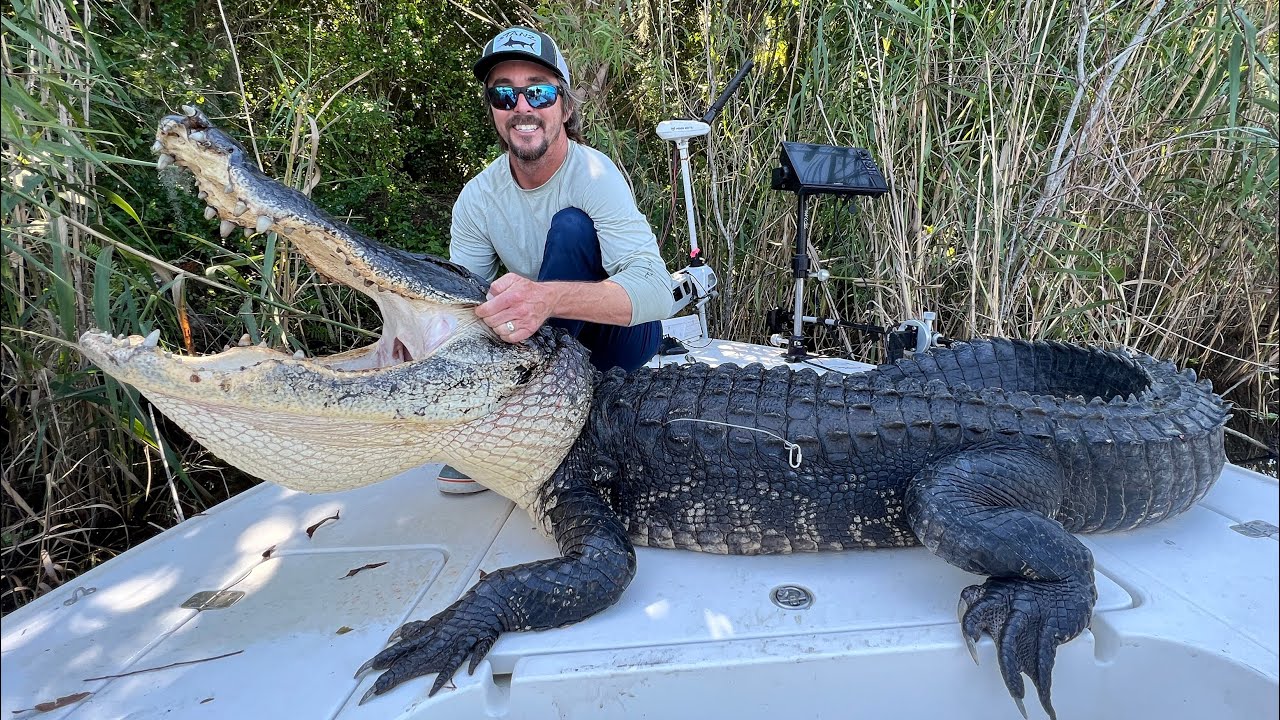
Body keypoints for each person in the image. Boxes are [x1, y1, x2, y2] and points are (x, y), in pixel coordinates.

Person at [439, 26, 675, 494]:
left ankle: (528, 417)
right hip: (547, 348)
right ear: (492, 111)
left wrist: (545, 299)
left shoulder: (593, 173)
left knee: (571, 225)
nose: (522, 107)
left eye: (539, 92)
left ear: (564, 107)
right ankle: (527, 410)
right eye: (504, 94)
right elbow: (458, 306)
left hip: (622, 342)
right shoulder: (477, 198)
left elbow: (656, 291)